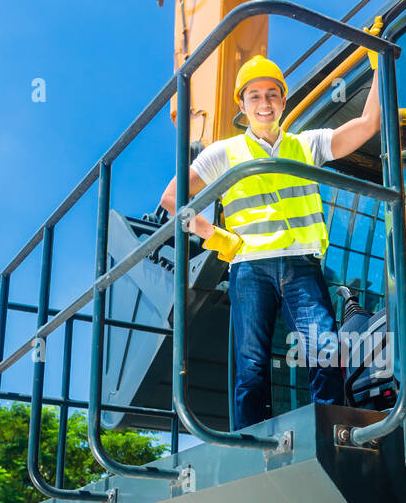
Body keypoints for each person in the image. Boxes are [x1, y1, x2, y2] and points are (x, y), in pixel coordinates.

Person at [160, 54, 381, 429]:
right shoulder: (223, 153)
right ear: (242, 105)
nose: (264, 103)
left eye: (272, 95)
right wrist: (214, 236)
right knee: (250, 365)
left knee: (325, 351)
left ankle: (330, 431)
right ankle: (250, 444)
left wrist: (379, 66)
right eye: (255, 96)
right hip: (250, 268)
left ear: (283, 100)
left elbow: (367, 125)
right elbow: (171, 199)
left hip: (302, 266)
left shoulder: (307, 144)